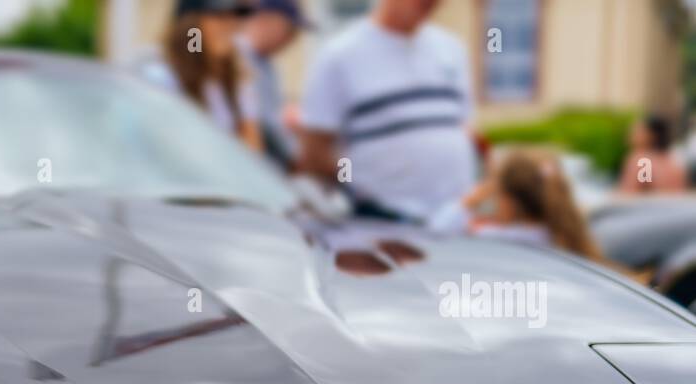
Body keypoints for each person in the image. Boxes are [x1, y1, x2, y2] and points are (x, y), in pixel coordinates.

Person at [297, 0, 478, 221]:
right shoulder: (339, 55)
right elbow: (315, 152)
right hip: (381, 222)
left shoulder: (452, 49)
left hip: (453, 219)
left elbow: (461, 126)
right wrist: (358, 188)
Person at [432, 150, 600, 259]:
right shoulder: (563, 238)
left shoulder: (496, 239)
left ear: (507, 201)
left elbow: (436, 233)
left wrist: (471, 200)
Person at [166, 0, 263, 152]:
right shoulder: (162, 76)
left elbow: (251, 148)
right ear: (191, 22)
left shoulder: (232, 76)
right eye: (219, 16)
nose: (231, 24)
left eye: (235, 16)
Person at [239, 0, 310, 168]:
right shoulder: (239, 58)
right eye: (290, 30)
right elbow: (266, 125)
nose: (292, 39)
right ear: (268, 20)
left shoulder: (266, 65)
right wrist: (299, 159)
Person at [618, 115, 687, 194]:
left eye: (636, 131)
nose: (630, 135)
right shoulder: (673, 160)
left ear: (650, 135)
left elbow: (626, 194)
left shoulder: (640, 160)